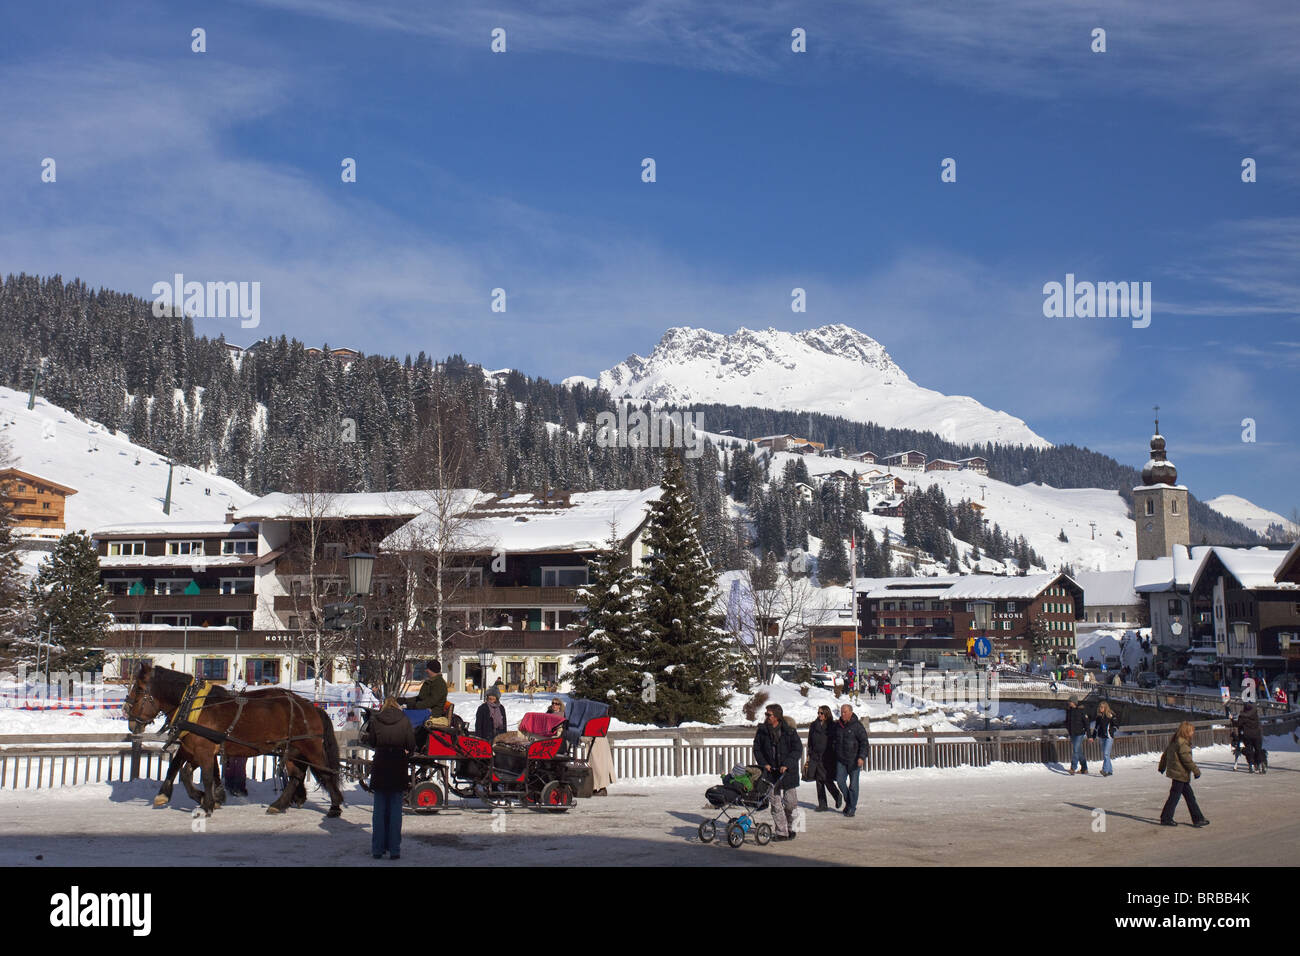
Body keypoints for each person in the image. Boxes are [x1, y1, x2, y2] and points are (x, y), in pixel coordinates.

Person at [363, 696, 416, 860]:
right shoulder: (405, 720)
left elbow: (371, 741)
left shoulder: (376, 720)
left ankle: (377, 849)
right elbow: (411, 744)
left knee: (379, 810)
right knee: (395, 811)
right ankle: (394, 850)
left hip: (381, 764)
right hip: (398, 765)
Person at [753, 703, 802, 841]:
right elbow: (757, 749)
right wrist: (764, 764)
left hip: (788, 772)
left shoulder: (790, 731)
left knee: (791, 803)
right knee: (775, 803)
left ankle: (791, 827)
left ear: (777, 716)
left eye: (769, 714)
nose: (766, 717)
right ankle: (781, 832)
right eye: (766, 714)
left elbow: (797, 750)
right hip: (770, 773)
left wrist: (787, 764)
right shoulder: (762, 731)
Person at [1158, 721, 1209, 828]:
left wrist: (1162, 767)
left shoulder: (1175, 741)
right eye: (1191, 731)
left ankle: (1198, 819)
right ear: (1186, 732)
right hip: (1180, 774)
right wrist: (1196, 771)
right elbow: (1187, 760)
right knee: (1175, 797)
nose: (1192, 733)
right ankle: (1166, 818)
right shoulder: (1182, 743)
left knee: (1189, 797)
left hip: (1179, 774)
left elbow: (1165, 755)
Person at [833, 703, 870, 818]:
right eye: (841, 712)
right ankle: (849, 802)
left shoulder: (857, 726)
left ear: (850, 713)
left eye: (845, 712)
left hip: (854, 760)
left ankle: (852, 807)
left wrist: (861, 757)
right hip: (841, 760)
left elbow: (864, 742)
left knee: (853, 785)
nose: (843, 714)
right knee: (840, 781)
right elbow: (834, 741)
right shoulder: (838, 725)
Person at [806, 705, 842, 812]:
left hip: (827, 757)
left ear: (826, 713)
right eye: (818, 713)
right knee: (819, 780)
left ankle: (836, 795)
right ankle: (822, 804)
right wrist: (810, 753)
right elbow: (810, 740)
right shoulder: (813, 725)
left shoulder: (832, 725)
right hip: (815, 756)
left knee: (826, 779)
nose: (819, 715)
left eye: (821, 713)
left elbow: (835, 741)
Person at [1236, 701, 1265, 773]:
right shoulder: (1255, 714)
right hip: (1257, 735)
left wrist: (1232, 720)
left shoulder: (1242, 715)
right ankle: (1260, 764)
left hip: (1247, 735)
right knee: (1258, 750)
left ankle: (1251, 765)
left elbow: (1238, 724)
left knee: (1249, 750)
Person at [1092, 702, 1119, 777]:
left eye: (1102, 707)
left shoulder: (1111, 715)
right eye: (1100, 707)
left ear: (1105, 708)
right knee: (1106, 755)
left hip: (1109, 737)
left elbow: (1116, 725)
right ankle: (1110, 770)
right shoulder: (1099, 717)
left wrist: (1112, 730)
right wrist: (1093, 736)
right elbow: (1096, 727)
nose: (1100, 708)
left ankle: (1105, 770)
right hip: (1101, 737)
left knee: (1106, 754)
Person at [1065, 700, 1090, 774]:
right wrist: (1068, 729)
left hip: (1080, 733)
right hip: (1072, 733)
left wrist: (1089, 736)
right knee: (1079, 752)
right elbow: (1067, 721)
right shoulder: (1069, 711)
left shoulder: (1081, 711)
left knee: (1075, 750)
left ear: (1074, 702)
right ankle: (1084, 768)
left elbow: (1087, 723)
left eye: (1070, 701)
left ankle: (1073, 768)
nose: (1069, 702)